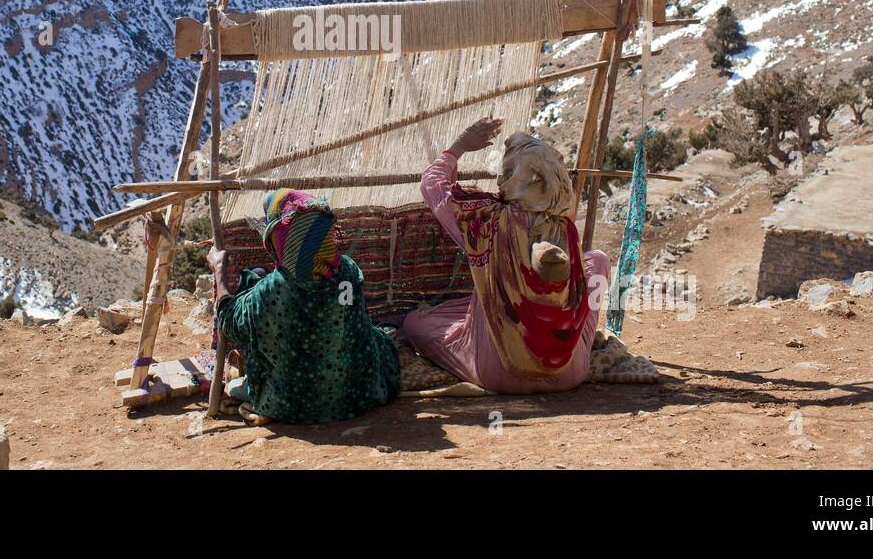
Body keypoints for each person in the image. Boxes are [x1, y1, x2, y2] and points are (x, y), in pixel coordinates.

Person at [401, 117, 610, 393]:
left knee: (415, 323)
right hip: (569, 373)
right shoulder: (565, 227)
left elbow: (432, 184)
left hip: (497, 372)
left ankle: (480, 337)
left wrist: (460, 146)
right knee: (598, 259)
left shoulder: (486, 219)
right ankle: (569, 342)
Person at [208, 188, 399, 424]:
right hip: (355, 395)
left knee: (254, 278)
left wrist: (218, 270)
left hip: (290, 403)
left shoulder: (273, 290)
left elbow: (228, 322)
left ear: (282, 241)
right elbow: (349, 313)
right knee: (377, 336)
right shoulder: (346, 274)